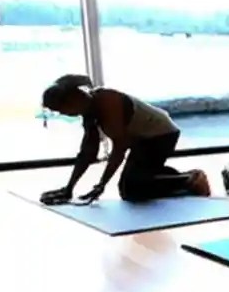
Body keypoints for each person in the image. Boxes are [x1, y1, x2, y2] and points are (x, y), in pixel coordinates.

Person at [39, 74, 210, 205]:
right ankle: (161, 175)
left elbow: (120, 149)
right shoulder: (89, 112)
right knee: (133, 184)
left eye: (61, 109)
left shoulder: (108, 101)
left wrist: (101, 185)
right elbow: (87, 153)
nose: (63, 113)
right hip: (142, 139)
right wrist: (69, 189)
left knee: (131, 189)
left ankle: (189, 180)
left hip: (161, 135)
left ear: (74, 99)